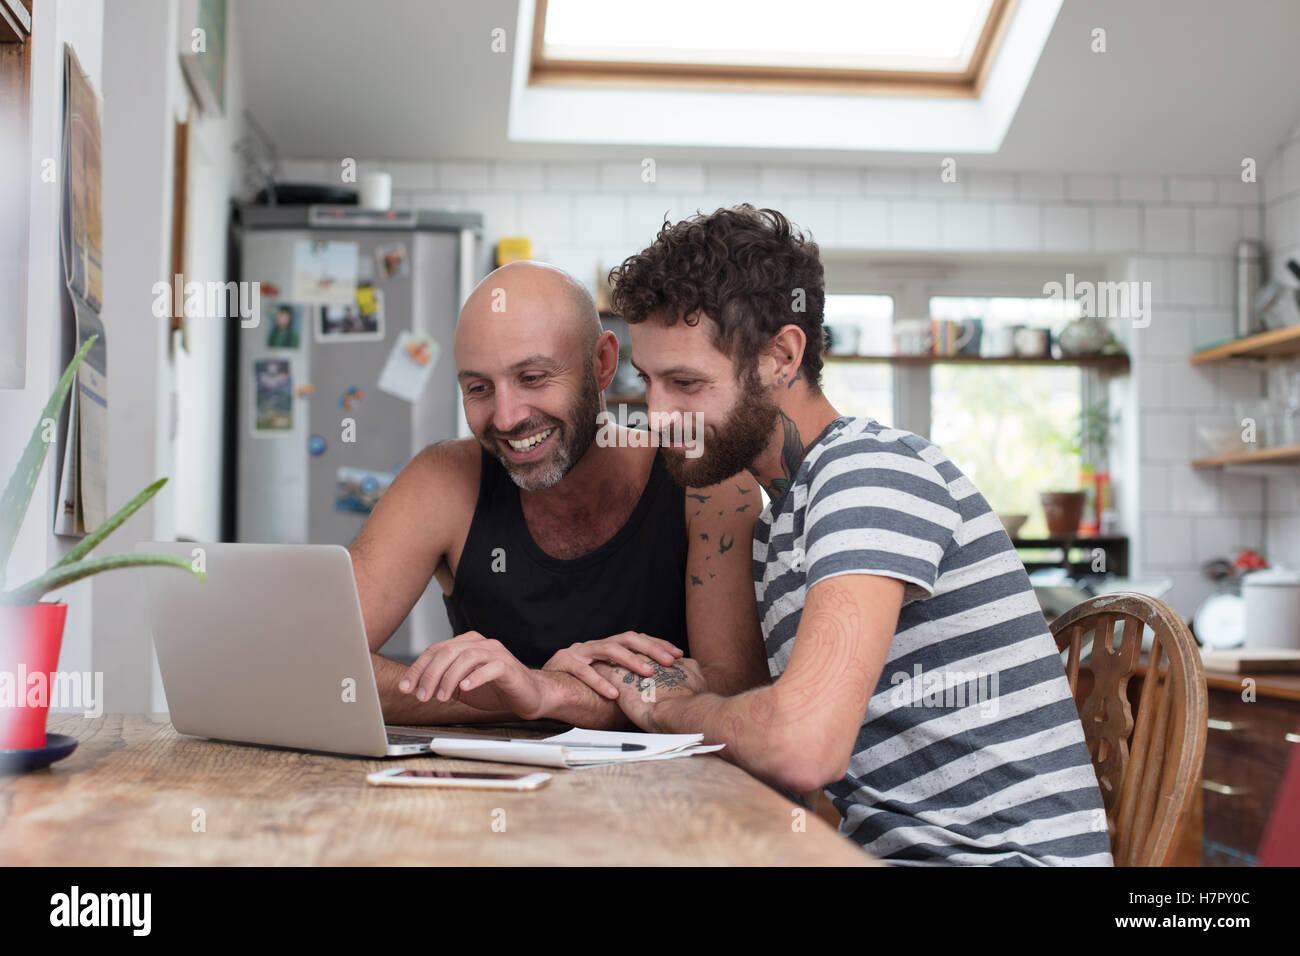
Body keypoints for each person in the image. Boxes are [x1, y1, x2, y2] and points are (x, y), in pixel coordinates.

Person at [597, 205, 1114, 866]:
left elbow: (800, 745)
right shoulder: (785, 518)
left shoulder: (868, 474)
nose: (659, 414)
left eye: (687, 383)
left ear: (782, 355)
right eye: (649, 381)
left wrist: (674, 710)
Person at [349, 260, 768, 729]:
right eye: (479, 388)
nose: (506, 418)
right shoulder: (442, 479)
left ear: (602, 363)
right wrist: (522, 692)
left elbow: (734, 695)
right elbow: (322, 665)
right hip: (482, 791)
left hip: (667, 797)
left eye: (532, 378)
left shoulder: (707, 480)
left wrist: (547, 692)